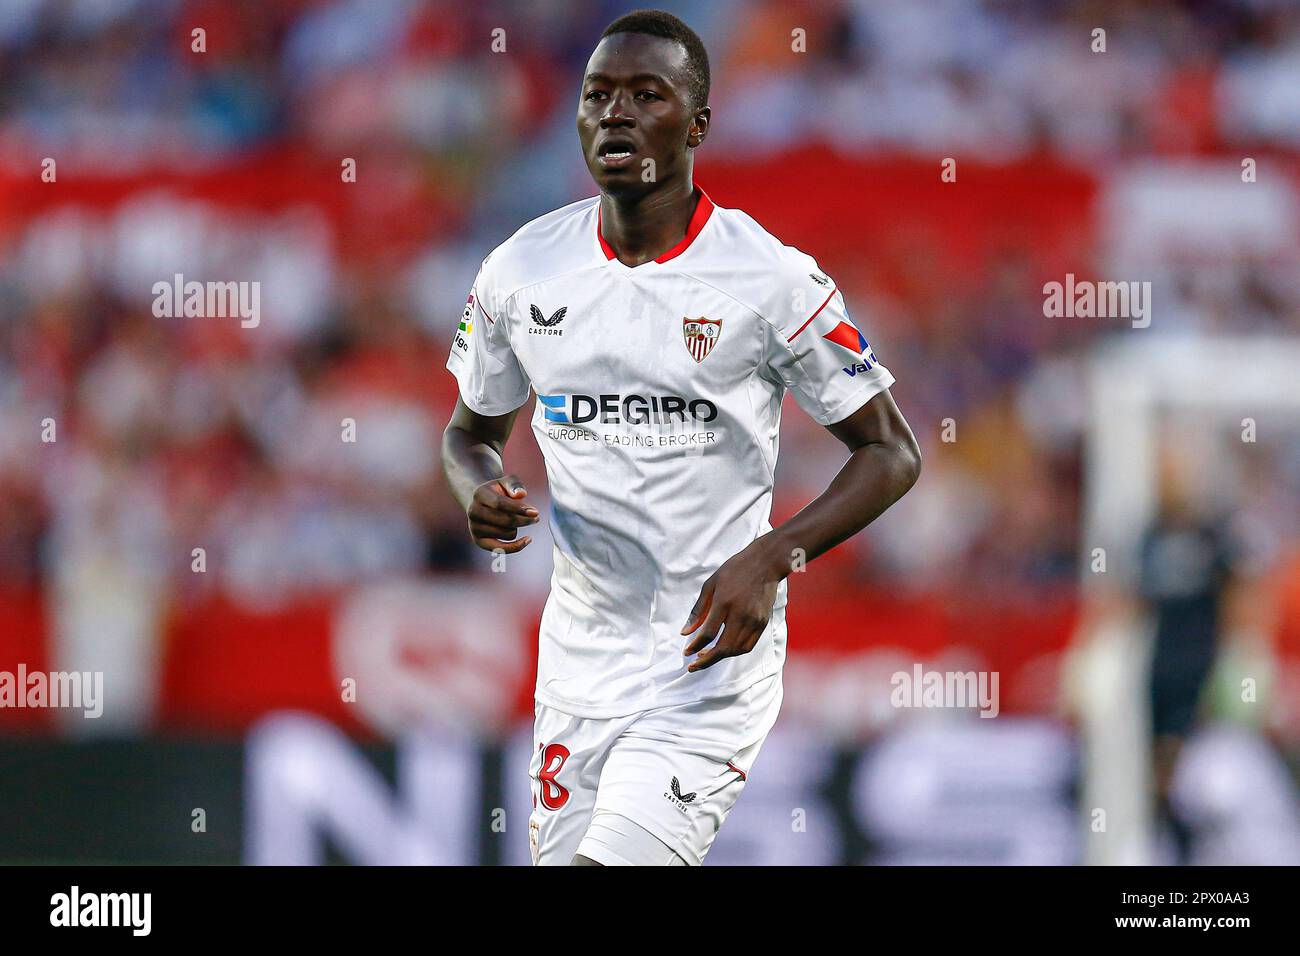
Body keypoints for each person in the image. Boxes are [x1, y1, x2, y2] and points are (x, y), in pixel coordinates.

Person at [441, 9, 921, 866]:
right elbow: (469, 434)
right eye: (597, 96)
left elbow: (891, 452)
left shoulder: (770, 279)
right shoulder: (519, 270)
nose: (614, 114)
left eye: (645, 95)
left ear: (696, 124)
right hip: (578, 667)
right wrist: (474, 487)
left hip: (708, 667)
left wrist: (774, 555)